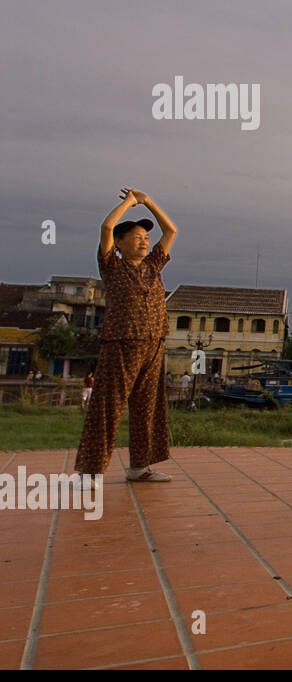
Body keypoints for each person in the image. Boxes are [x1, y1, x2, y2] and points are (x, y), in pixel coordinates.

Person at [74, 188, 178, 485]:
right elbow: (106, 227)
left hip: (154, 342)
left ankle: (139, 468)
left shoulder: (153, 265)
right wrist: (129, 204)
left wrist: (149, 202)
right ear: (119, 244)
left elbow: (171, 229)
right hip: (121, 343)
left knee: (147, 408)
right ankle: (90, 472)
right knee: (109, 406)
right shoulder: (112, 266)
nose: (144, 240)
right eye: (136, 236)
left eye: (146, 237)